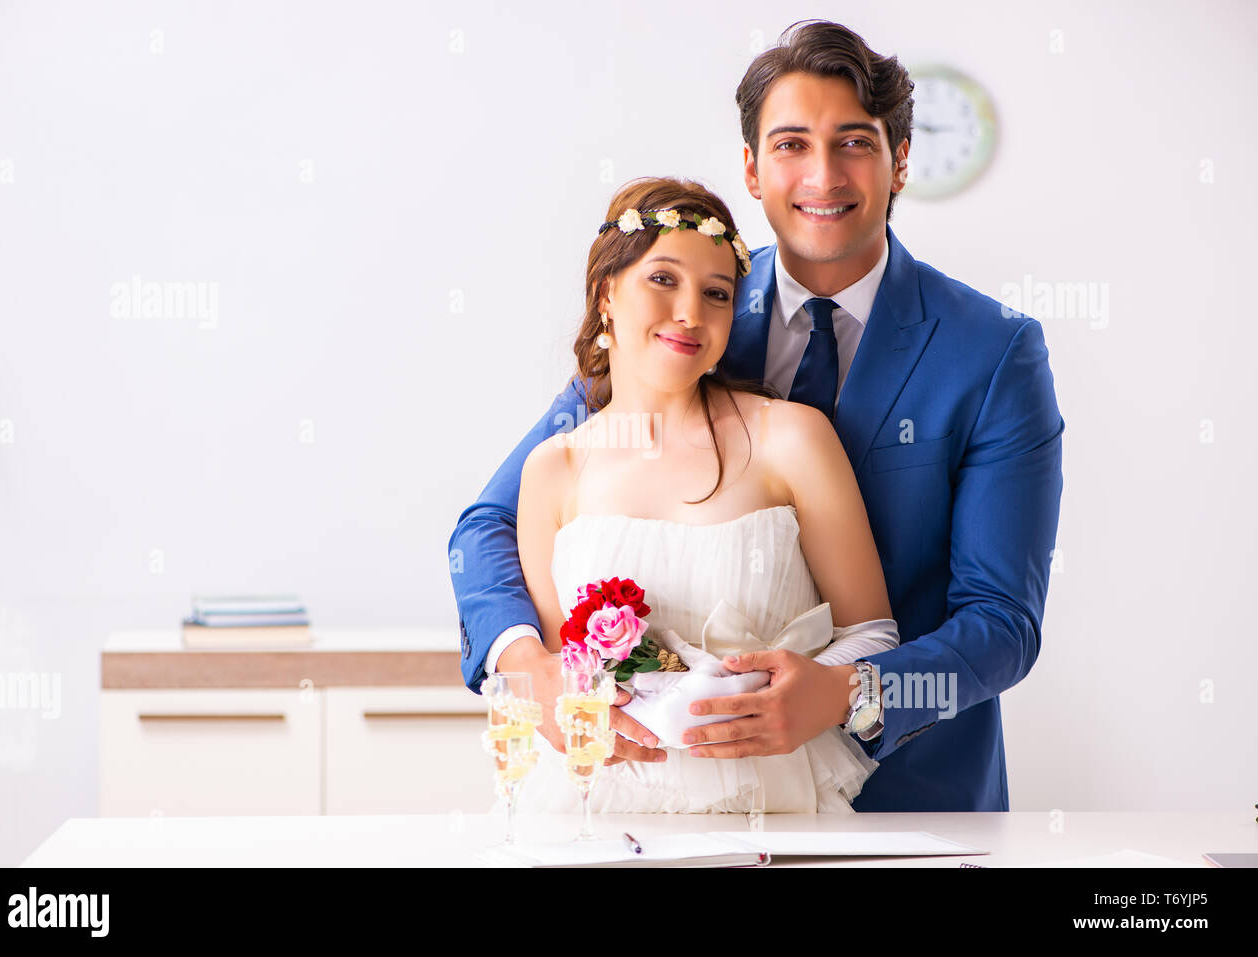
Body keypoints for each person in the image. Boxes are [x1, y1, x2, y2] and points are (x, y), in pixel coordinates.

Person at [449, 20, 1064, 812]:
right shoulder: (682, 313)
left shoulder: (993, 352)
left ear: (899, 159)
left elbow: (1003, 621)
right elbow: (489, 524)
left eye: (853, 142)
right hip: (659, 800)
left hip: (918, 799)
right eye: (790, 144)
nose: (822, 174)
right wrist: (528, 665)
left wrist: (849, 693)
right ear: (750, 166)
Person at [507, 177, 900, 813]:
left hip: (771, 798)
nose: (691, 312)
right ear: (607, 293)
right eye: (663, 280)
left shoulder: (792, 437)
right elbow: (562, 672)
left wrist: (808, 691)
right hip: (604, 806)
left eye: (716, 294)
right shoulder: (553, 469)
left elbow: (874, 633)